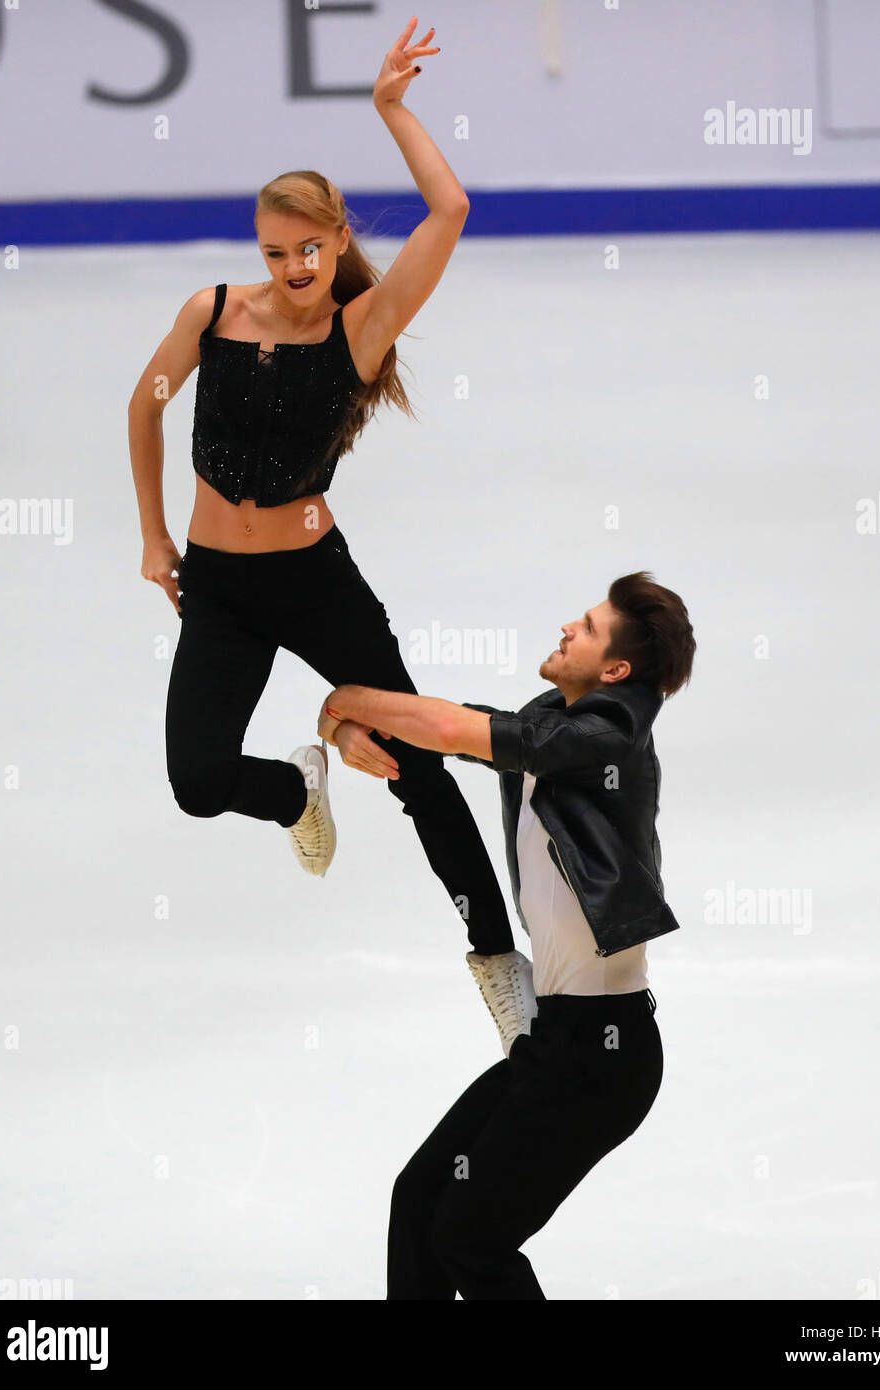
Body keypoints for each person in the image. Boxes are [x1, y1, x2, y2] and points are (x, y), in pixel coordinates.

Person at [126, 19, 531, 1045]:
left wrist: (391, 109)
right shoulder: (212, 313)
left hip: (314, 579)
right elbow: (144, 406)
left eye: (310, 246)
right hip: (216, 583)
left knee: (417, 762)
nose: (294, 265)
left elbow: (451, 208)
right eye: (275, 250)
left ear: (338, 240)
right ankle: (297, 786)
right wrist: (154, 540)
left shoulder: (362, 327)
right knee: (196, 780)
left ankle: (494, 955)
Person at [317, 571, 696, 1299]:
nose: (565, 628)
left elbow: (459, 730)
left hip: (601, 1058)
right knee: (420, 1197)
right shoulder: (555, 722)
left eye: (584, 628)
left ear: (615, 669)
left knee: (471, 1239)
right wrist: (341, 728)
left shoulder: (606, 737)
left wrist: (337, 703)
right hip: (558, 1040)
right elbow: (452, 724)